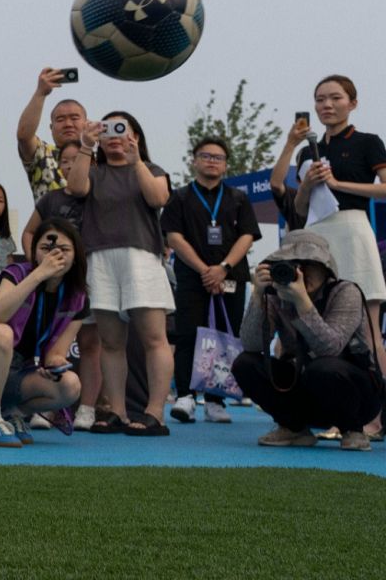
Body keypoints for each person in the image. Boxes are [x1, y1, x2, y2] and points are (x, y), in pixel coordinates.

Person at [67, 111, 174, 436]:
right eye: (107, 130)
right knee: (111, 342)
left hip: (140, 257)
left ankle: (155, 412)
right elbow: (75, 188)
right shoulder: (94, 171)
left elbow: (159, 198)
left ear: (136, 136)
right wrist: (86, 146)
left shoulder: (151, 169)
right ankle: (117, 410)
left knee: (154, 338)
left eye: (121, 130)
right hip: (100, 259)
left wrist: (135, 159)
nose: (114, 136)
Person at [291, 75, 386, 438]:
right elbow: (299, 206)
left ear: (352, 103)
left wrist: (338, 184)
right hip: (318, 238)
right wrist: (310, 183)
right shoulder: (307, 150)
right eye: (319, 99)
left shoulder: (367, 142)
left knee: (369, 330)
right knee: (321, 325)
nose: (326, 105)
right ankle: (341, 414)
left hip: (353, 231)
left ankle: (375, 416)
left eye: (335, 98)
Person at [236, 232, 382, 450]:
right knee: (245, 363)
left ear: (326, 268)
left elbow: (330, 348)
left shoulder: (346, 292)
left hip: (356, 394)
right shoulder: (277, 295)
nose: (300, 272)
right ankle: (294, 428)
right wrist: (258, 295)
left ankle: (352, 429)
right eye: (293, 265)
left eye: (309, 264)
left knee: (322, 367)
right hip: (306, 386)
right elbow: (251, 345)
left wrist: (302, 302)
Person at [0, 219, 89, 447]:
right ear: (34, 252)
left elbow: (56, 354)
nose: (54, 255)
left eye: (64, 250)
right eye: (46, 249)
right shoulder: (17, 273)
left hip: (19, 372)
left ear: (76, 256)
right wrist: (38, 275)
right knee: (2, 333)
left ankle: (12, 413)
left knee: (70, 384)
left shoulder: (77, 297)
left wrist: (54, 367)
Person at [161, 136, 260, 425]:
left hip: (231, 277)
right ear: (195, 160)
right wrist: (205, 269)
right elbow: (173, 237)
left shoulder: (238, 198)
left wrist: (224, 267)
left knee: (224, 337)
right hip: (193, 278)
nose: (212, 161)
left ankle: (216, 400)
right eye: (206, 156)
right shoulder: (179, 197)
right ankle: (186, 396)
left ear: (225, 164)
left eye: (218, 157)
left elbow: (247, 235)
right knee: (188, 335)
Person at [18, 140, 100, 429]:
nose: (70, 165)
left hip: (89, 274)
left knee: (91, 344)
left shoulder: (100, 194)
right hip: (49, 277)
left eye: (77, 159)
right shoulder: (51, 199)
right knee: (32, 337)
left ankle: (88, 407)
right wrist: (37, 265)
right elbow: (29, 232)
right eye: (65, 161)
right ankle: (38, 408)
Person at [16, 67, 88, 201]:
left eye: (74, 118)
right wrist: (40, 93)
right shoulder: (43, 153)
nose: (68, 124)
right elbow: (24, 136)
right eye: (60, 120)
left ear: (87, 123)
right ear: (51, 127)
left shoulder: (98, 157)